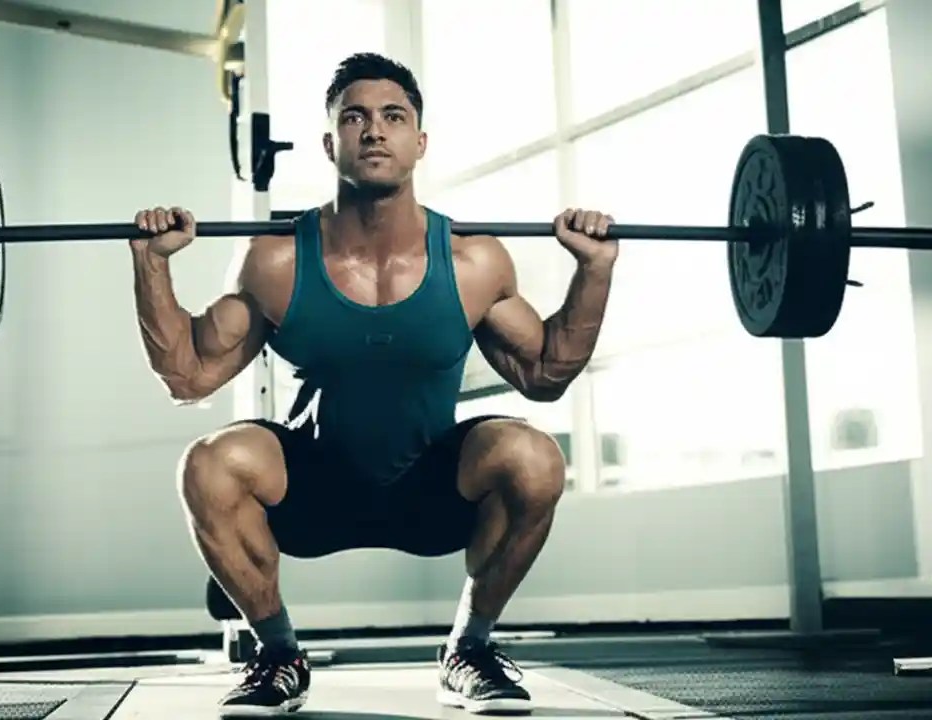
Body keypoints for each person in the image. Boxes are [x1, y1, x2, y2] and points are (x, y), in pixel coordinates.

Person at [129, 52, 618, 717]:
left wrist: (594, 270)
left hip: (431, 488)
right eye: (354, 117)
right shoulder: (275, 260)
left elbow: (545, 375)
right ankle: (278, 654)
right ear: (331, 143)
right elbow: (187, 376)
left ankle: (469, 650)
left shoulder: (474, 261)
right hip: (313, 486)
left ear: (420, 141)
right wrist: (151, 265)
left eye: (394, 117)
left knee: (534, 458)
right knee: (208, 464)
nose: (375, 131)